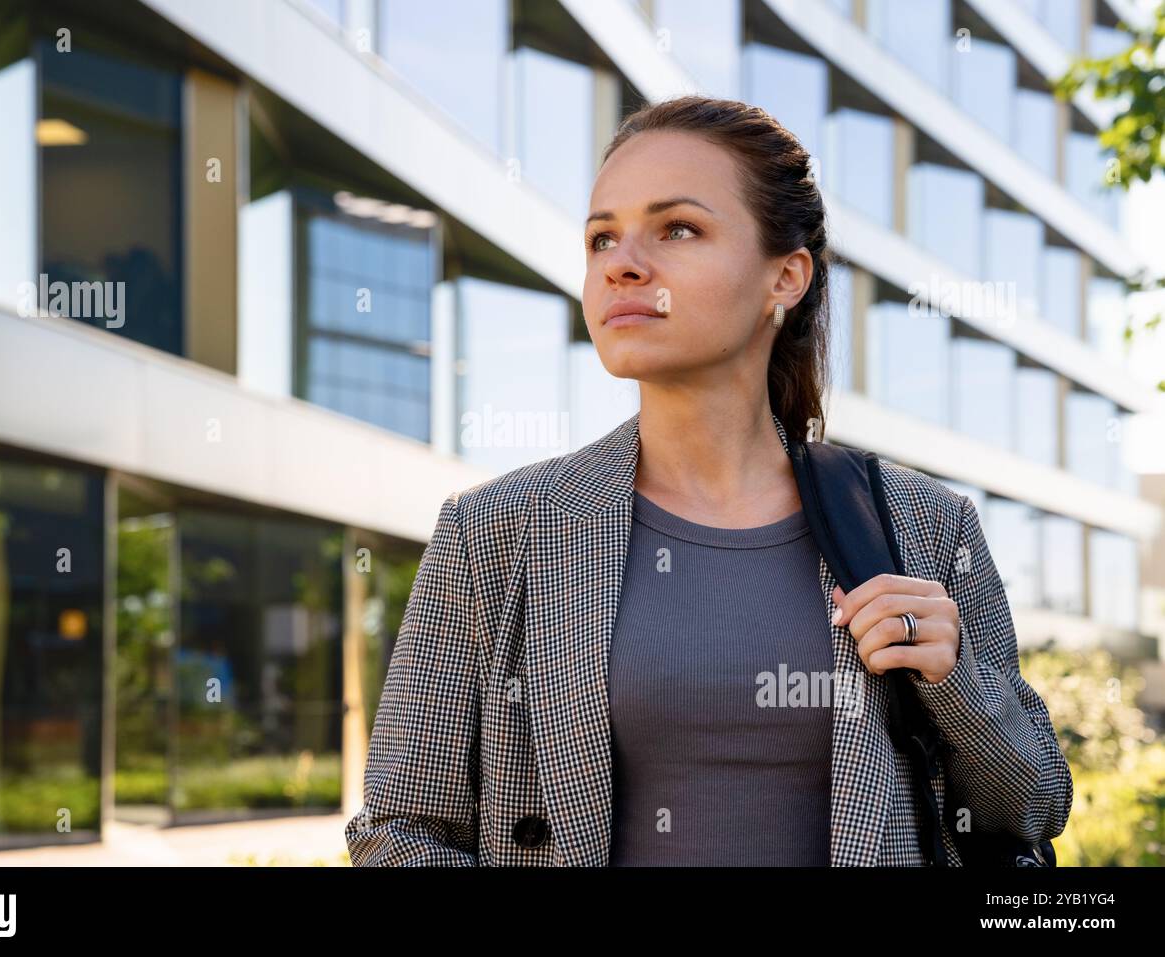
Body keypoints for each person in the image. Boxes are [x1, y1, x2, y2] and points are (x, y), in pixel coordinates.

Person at [345, 95, 1073, 866]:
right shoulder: (494, 530)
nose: (622, 262)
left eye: (678, 229)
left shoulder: (924, 525)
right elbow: (399, 831)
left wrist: (954, 683)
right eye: (601, 238)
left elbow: (1033, 808)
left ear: (785, 277)